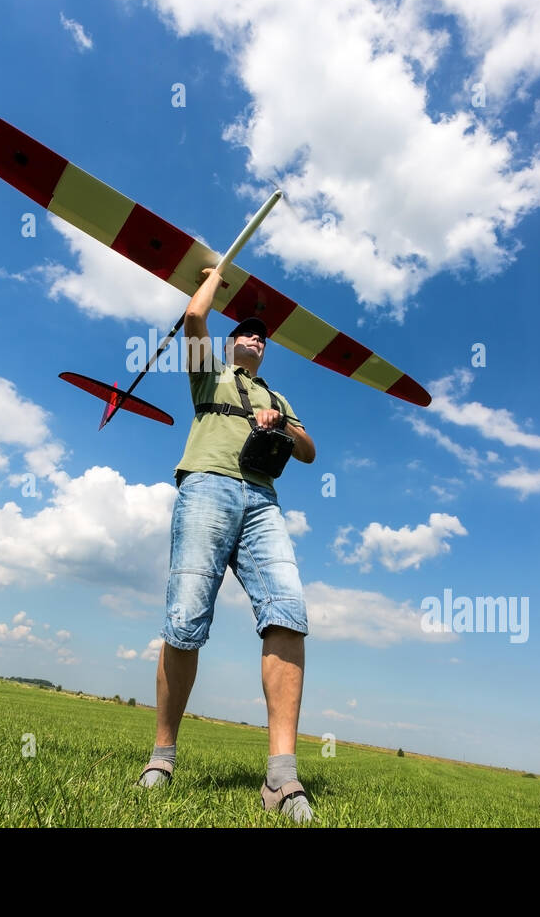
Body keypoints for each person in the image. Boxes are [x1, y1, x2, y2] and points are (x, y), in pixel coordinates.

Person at [136, 265, 317, 822]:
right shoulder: (207, 375)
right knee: (186, 617)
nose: (256, 337)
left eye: (263, 335)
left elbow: (309, 450)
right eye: (246, 331)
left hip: (263, 501)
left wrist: (280, 423)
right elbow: (193, 316)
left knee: (288, 612)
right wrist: (214, 276)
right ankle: (162, 758)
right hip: (207, 488)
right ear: (232, 341)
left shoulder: (279, 396)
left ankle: (281, 777)